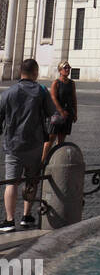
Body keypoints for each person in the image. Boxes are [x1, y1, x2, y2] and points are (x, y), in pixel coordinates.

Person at [0, 58, 57, 232]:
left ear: (20, 72)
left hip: (13, 145)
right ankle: (26, 215)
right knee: (31, 181)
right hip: (35, 144)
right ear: (35, 72)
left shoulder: (8, 92)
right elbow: (53, 114)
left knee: (11, 183)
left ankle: (9, 221)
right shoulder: (41, 91)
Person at [42, 61, 78, 164]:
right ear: (60, 70)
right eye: (65, 68)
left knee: (61, 140)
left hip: (68, 114)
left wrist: (75, 112)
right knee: (50, 139)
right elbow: (53, 98)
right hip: (57, 114)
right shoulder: (56, 83)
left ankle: (56, 160)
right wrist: (61, 111)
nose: (67, 70)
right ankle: (42, 160)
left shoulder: (72, 83)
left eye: (68, 68)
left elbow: (74, 98)